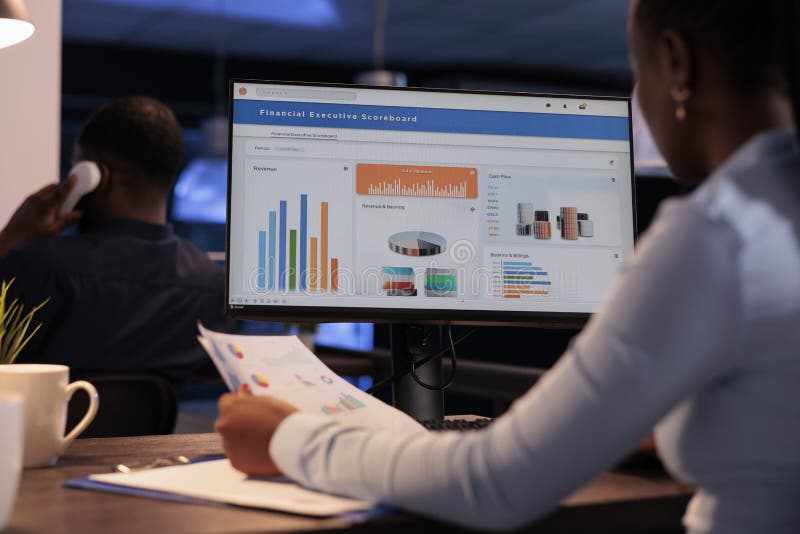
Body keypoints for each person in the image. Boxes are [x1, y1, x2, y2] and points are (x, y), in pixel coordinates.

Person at [215, 1, 800, 532]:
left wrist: (288, 438)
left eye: (638, 71)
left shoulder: (717, 234)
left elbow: (494, 485)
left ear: (676, 63)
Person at [0, 96, 232, 385]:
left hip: (45, 432)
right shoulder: (211, 286)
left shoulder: (37, 268)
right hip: (172, 432)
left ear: (96, 176)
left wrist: (9, 240)